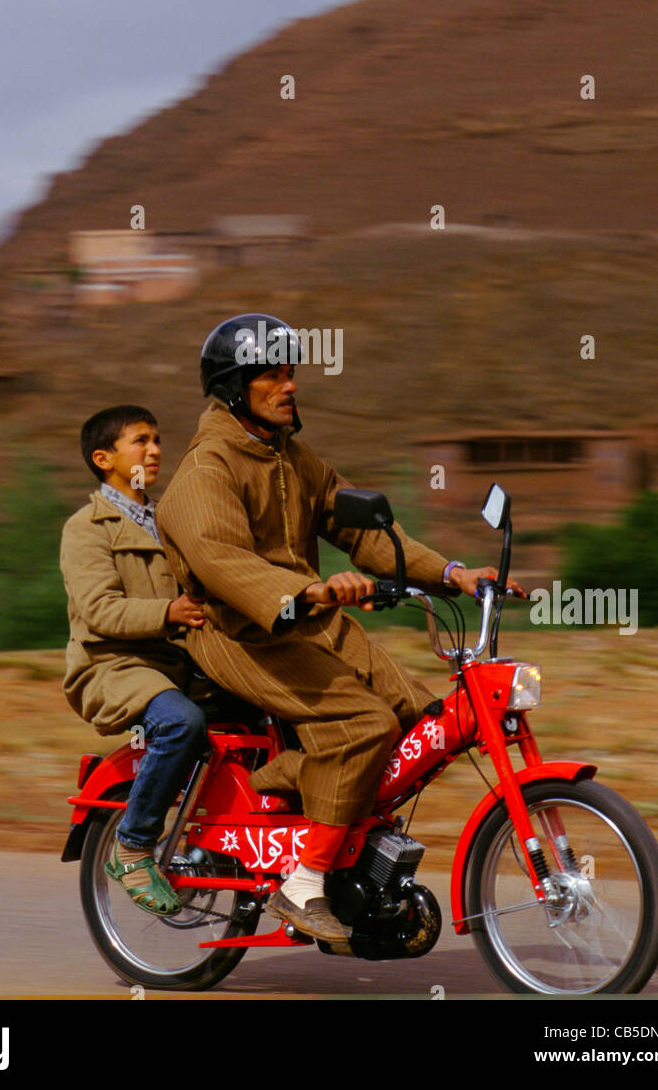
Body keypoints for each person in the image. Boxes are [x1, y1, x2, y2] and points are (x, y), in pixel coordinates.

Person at [156, 314, 525, 945]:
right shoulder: (206, 469)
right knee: (364, 726)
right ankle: (303, 879)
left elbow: (364, 533)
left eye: (290, 372)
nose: (290, 384)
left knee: (421, 716)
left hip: (313, 625)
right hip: (239, 632)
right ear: (234, 386)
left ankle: (353, 844)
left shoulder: (292, 459)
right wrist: (306, 590)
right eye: (272, 374)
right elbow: (222, 560)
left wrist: (454, 573)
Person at [60, 404, 208, 915]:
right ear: (104, 459)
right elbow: (100, 610)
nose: (154, 450)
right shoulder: (86, 528)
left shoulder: (171, 521)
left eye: (158, 439)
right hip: (113, 666)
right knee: (181, 724)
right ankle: (134, 844)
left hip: (177, 663)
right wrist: (170, 611)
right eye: (140, 440)